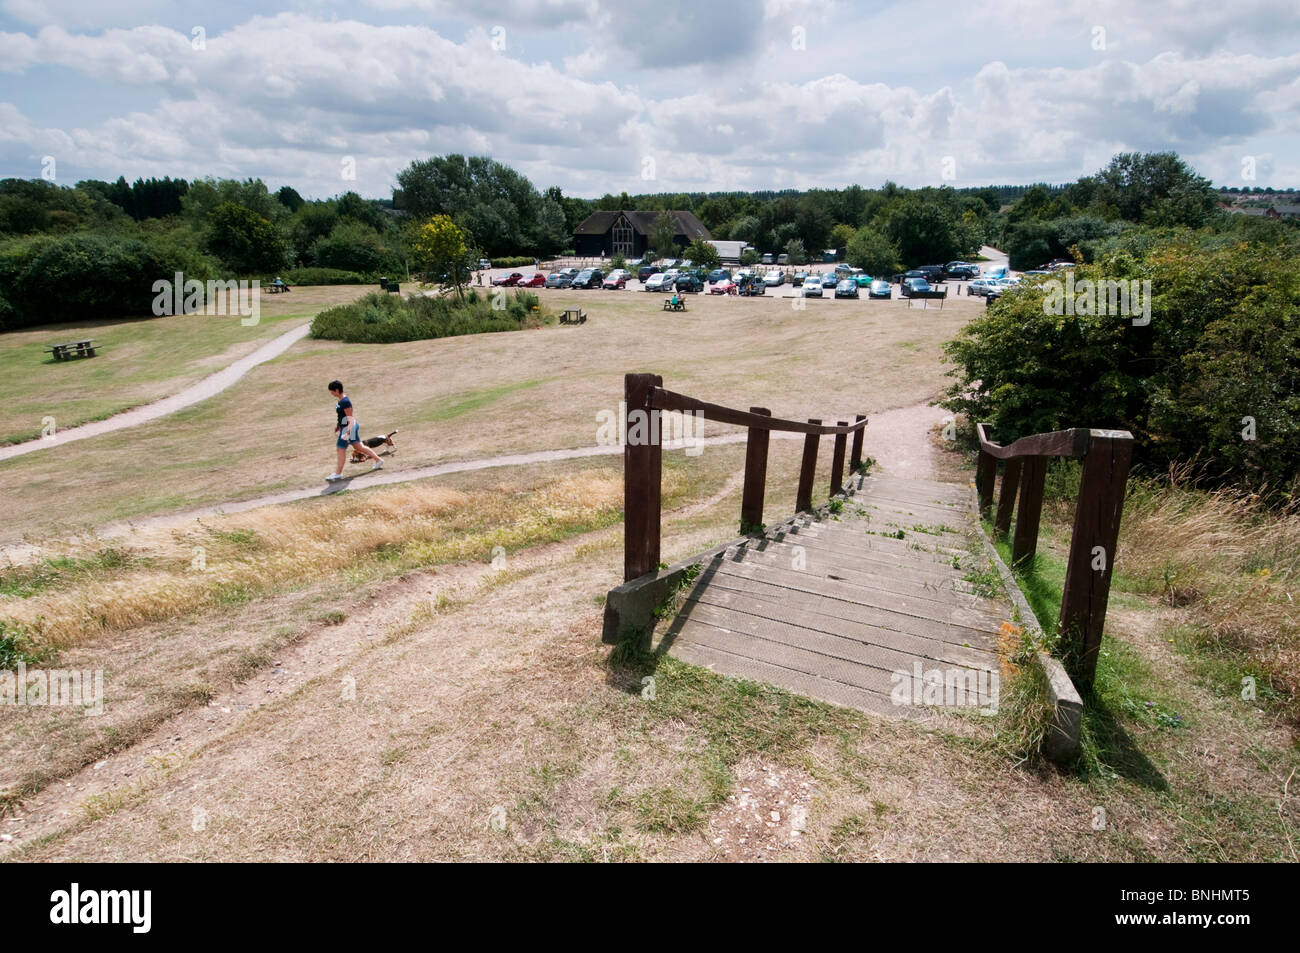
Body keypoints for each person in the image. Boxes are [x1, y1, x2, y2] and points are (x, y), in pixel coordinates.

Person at [326, 380, 382, 481]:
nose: (331, 394)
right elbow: (341, 416)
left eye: (332, 391)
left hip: (349, 428)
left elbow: (350, 417)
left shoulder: (345, 402)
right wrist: (338, 426)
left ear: (337, 390)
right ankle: (378, 460)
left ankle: (338, 474)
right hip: (346, 427)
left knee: (340, 449)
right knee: (359, 446)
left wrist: (347, 432)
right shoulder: (340, 400)